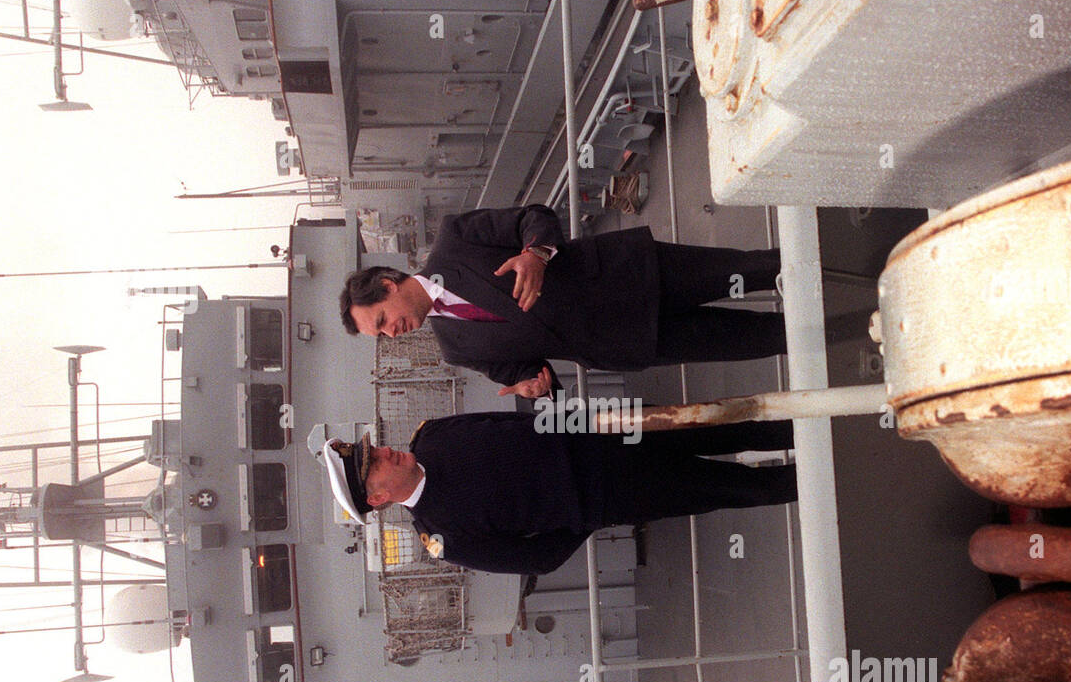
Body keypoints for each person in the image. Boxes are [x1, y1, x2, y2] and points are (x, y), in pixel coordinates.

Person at [338, 204, 785, 398]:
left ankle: (842, 269)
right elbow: (534, 379)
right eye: (380, 334)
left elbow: (534, 216)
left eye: (381, 320)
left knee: (752, 271)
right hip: (628, 340)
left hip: (630, 274)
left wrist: (535, 253)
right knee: (756, 340)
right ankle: (841, 330)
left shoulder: (455, 240)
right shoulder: (457, 349)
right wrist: (537, 389)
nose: (390, 333)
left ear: (388, 284)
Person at [321, 412, 796, 576]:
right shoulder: (445, 535)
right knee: (736, 487)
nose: (385, 451)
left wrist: (594, 421)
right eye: (375, 464)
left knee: (727, 426)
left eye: (375, 450)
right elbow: (536, 560)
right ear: (379, 499)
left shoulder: (432, 436)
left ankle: (825, 422)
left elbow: (520, 423)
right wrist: (588, 513)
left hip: (611, 432)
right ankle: (817, 476)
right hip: (614, 493)